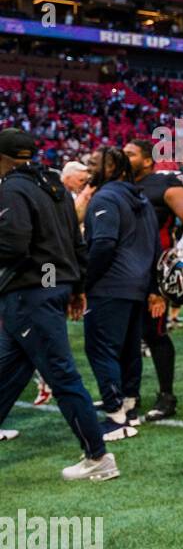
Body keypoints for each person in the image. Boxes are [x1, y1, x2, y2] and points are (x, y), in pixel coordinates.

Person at [0, 128, 117, 479]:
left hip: (30, 291)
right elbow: (74, 242)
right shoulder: (54, 186)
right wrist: (77, 287)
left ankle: (98, 457)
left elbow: (15, 244)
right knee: (6, 369)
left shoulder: (12, 188)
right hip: (51, 285)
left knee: (62, 374)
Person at [82, 146, 159, 440]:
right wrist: (151, 287)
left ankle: (115, 418)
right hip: (136, 284)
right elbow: (154, 247)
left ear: (111, 168)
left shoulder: (105, 197)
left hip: (110, 284)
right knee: (128, 349)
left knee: (101, 348)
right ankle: (129, 407)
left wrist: (85, 282)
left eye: (94, 164)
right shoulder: (140, 198)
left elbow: (103, 244)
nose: (90, 169)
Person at [126, 136, 183, 421]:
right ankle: (128, 395)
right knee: (125, 337)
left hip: (150, 276)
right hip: (123, 275)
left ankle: (166, 396)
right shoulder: (121, 184)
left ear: (147, 160)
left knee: (154, 334)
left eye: (130, 153)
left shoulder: (163, 185)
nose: (125, 157)